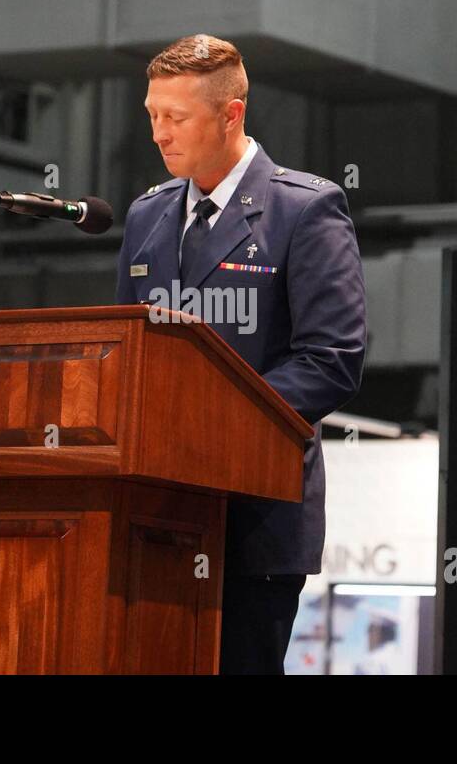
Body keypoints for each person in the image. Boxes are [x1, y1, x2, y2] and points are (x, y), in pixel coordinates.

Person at [114, 34, 367, 674]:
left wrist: (210, 425)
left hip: (255, 520)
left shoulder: (305, 209)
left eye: (176, 118)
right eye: (152, 116)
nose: (159, 135)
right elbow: (127, 350)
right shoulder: (146, 214)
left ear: (231, 115)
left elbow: (331, 359)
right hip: (157, 515)